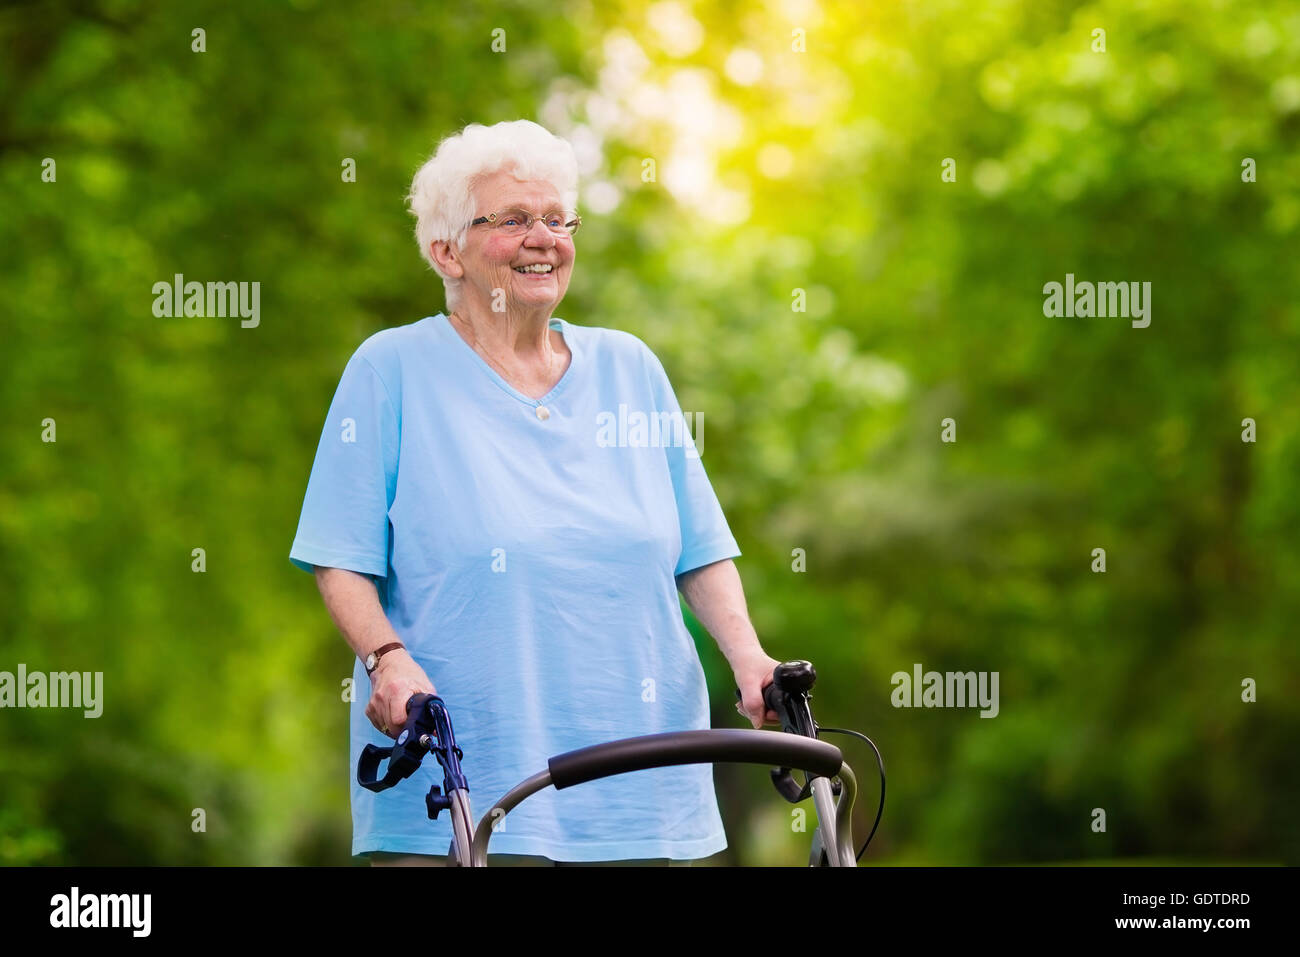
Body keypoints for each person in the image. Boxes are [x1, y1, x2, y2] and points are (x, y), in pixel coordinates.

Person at [289, 119, 781, 867]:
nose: (543, 237)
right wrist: (387, 658)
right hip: (461, 781)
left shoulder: (630, 369)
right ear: (445, 249)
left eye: (557, 219)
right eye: (514, 219)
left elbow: (699, 549)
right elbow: (339, 557)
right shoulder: (391, 370)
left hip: (637, 783)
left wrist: (750, 659)